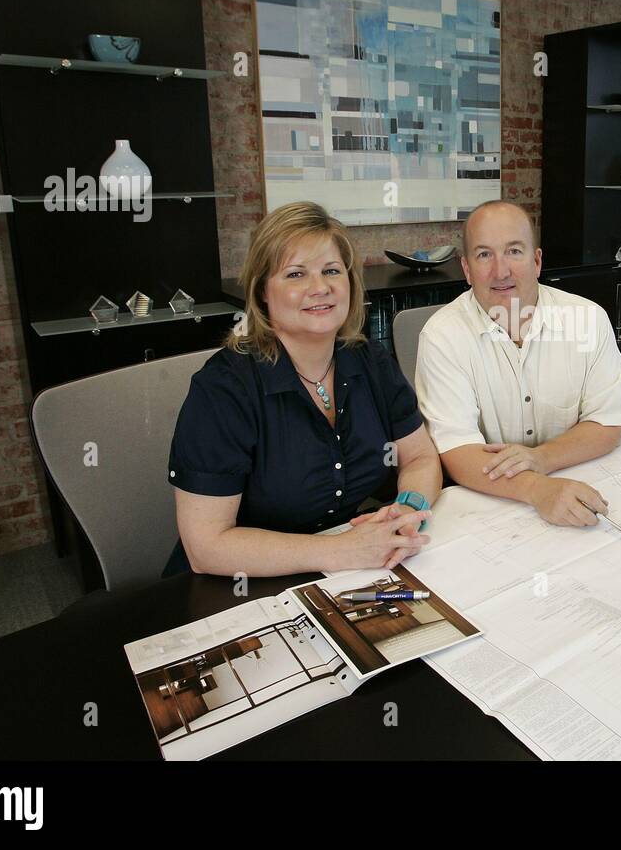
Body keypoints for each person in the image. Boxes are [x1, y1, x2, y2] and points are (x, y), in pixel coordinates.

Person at [164, 202, 441, 577]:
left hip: (343, 569)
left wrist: (407, 511)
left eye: (331, 270)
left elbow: (420, 458)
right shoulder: (223, 390)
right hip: (237, 586)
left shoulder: (369, 361)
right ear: (262, 291)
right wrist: (340, 550)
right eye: (296, 274)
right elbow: (206, 547)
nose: (320, 288)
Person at [414, 201, 621, 527]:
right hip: (489, 503)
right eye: (484, 254)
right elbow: (457, 451)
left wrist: (540, 458)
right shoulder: (441, 336)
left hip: (577, 476)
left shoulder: (588, 320)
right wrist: (537, 489)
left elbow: (608, 423)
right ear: (467, 269)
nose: (500, 271)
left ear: (537, 260)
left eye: (514, 251)